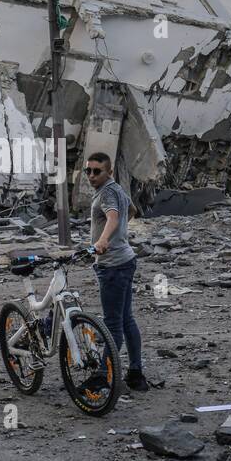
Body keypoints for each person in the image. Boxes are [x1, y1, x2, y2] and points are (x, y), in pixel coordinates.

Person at [85, 151, 148, 391]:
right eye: (88, 170)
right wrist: (120, 234)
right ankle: (135, 373)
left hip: (112, 265)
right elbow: (131, 211)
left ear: (108, 172)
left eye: (97, 171)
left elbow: (112, 217)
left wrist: (103, 241)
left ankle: (103, 376)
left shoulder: (108, 192)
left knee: (113, 324)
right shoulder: (118, 190)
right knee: (126, 319)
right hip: (126, 260)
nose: (91, 175)